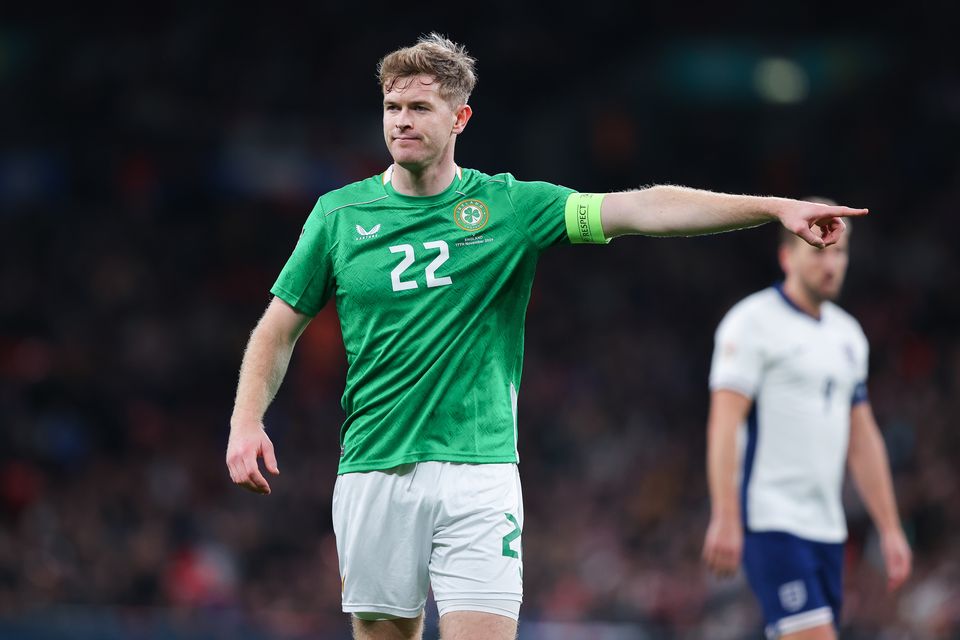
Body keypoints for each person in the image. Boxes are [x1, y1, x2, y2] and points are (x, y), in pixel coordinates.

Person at [226, 34, 864, 640]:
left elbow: (642, 208)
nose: (402, 120)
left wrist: (772, 207)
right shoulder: (339, 214)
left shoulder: (509, 208)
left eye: (421, 107)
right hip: (374, 467)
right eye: (392, 106)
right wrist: (246, 420)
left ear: (460, 119)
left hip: (479, 472)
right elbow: (279, 329)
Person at [702, 213, 912, 639]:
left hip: (828, 527)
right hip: (771, 520)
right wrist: (725, 515)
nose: (830, 264)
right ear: (787, 256)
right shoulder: (751, 323)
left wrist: (890, 529)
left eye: (839, 252)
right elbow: (724, 424)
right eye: (818, 252)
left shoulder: (849, 336)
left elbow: (863, 437)